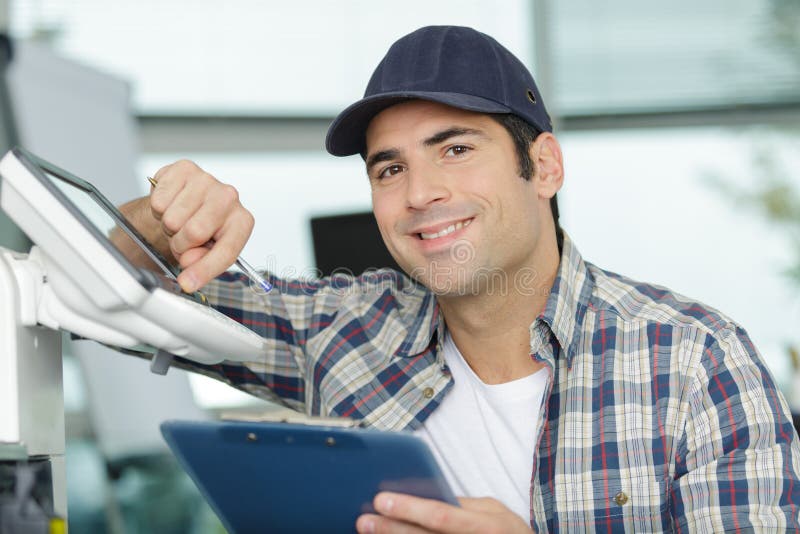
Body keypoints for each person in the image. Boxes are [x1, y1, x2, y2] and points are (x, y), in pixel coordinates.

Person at [119, 26, 800, 532]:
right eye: (390, 169)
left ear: (546, 167)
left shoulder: (693, 359)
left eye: (457, 149)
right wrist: (160, 215)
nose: (421, 193)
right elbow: (110, 283)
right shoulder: (339, 330)